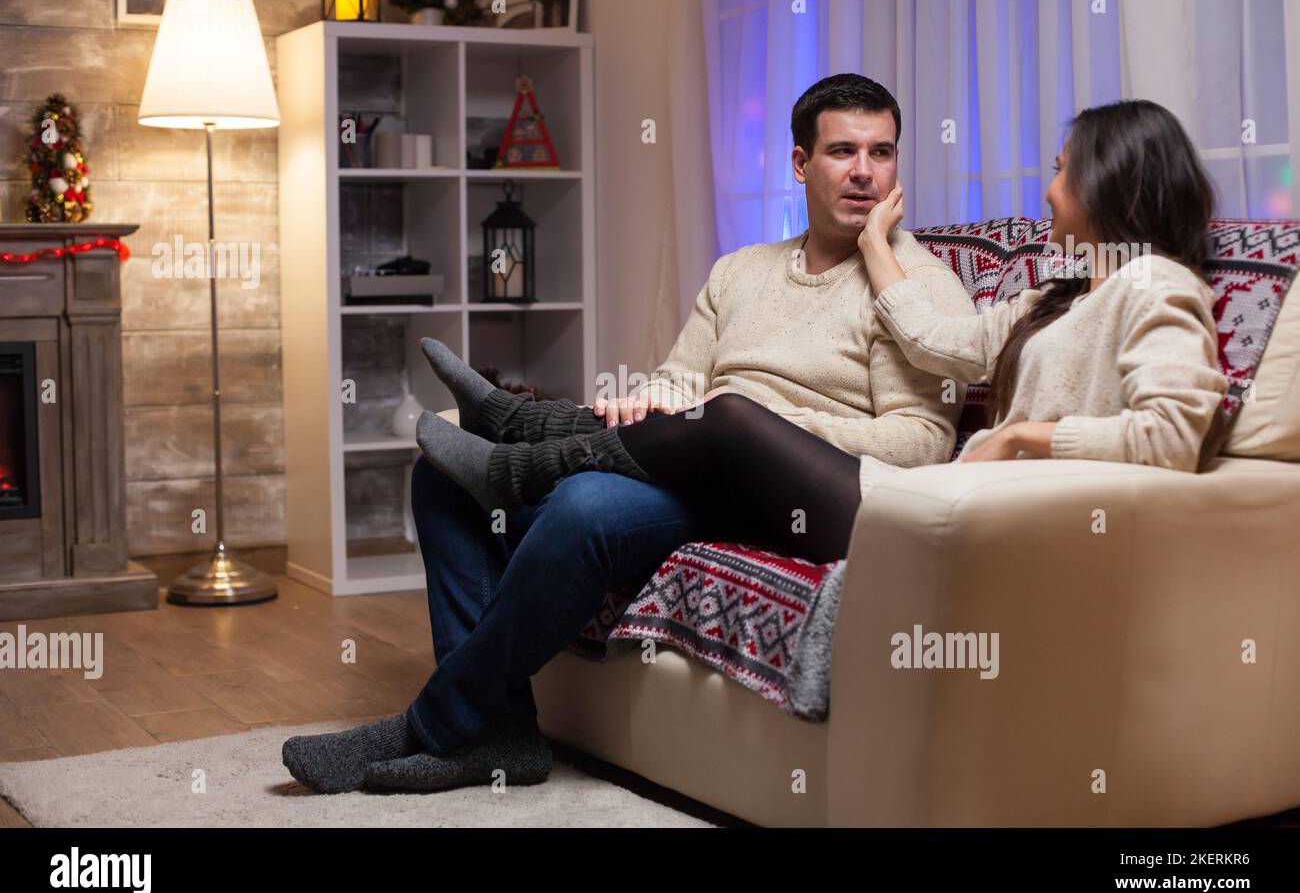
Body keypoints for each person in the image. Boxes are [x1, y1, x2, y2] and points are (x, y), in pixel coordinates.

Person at [280, 73, 975, 795]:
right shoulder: (742, 271)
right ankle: (501, 732)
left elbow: (920, 441)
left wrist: (764, 424)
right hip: (689, 455)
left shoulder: (913, 286)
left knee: (585, 507)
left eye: (882, 152)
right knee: (442, 477)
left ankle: (436, 722)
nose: (864, 171)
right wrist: (648, 404)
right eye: (842, 151)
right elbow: (680, 379)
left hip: (783, 493)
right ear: (801, 164)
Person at [414, 99, 1229, 570]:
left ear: (1108, 181)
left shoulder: (1155, 285)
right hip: (952, 499)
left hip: (959, 507)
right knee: (717, 411)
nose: (1047, 191)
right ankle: (520, 437)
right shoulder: (1048, 297)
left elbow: (1173, 436)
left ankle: (523, 440)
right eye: (843, 152)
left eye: (1060, 168)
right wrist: (879, 250)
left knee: (727, 414)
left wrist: (1020, 442)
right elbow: (957, 350)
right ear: (801, 164)